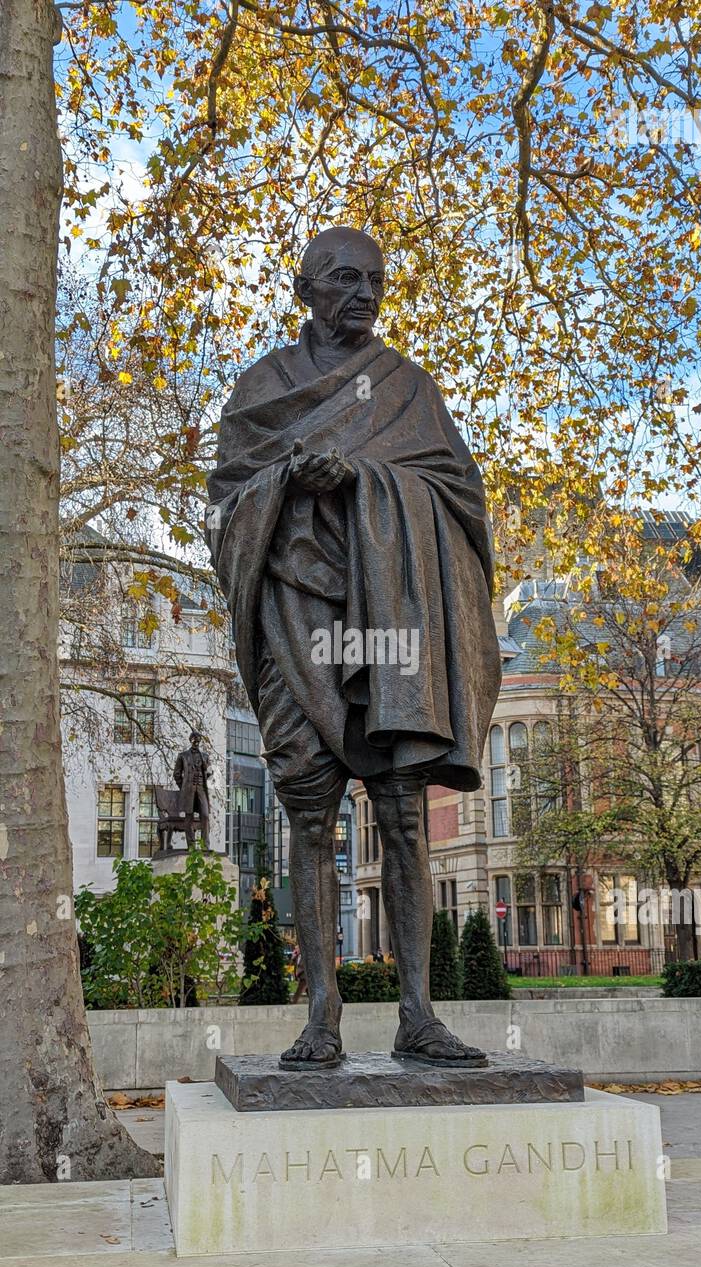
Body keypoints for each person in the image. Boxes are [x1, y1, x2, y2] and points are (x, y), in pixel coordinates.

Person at [207, 227, 501, 1068]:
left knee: (404, 813)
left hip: (390, 619)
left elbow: (459, 499)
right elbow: (226, 504)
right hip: (297, 616)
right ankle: (321, 1017)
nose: (365, 293)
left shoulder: (408, 388)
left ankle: (418, 1012)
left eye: (375, 280)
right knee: (307, 808)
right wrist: (288, 479)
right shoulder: (262, 386)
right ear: (304, 289)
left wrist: (369, 479)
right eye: (345, 279)